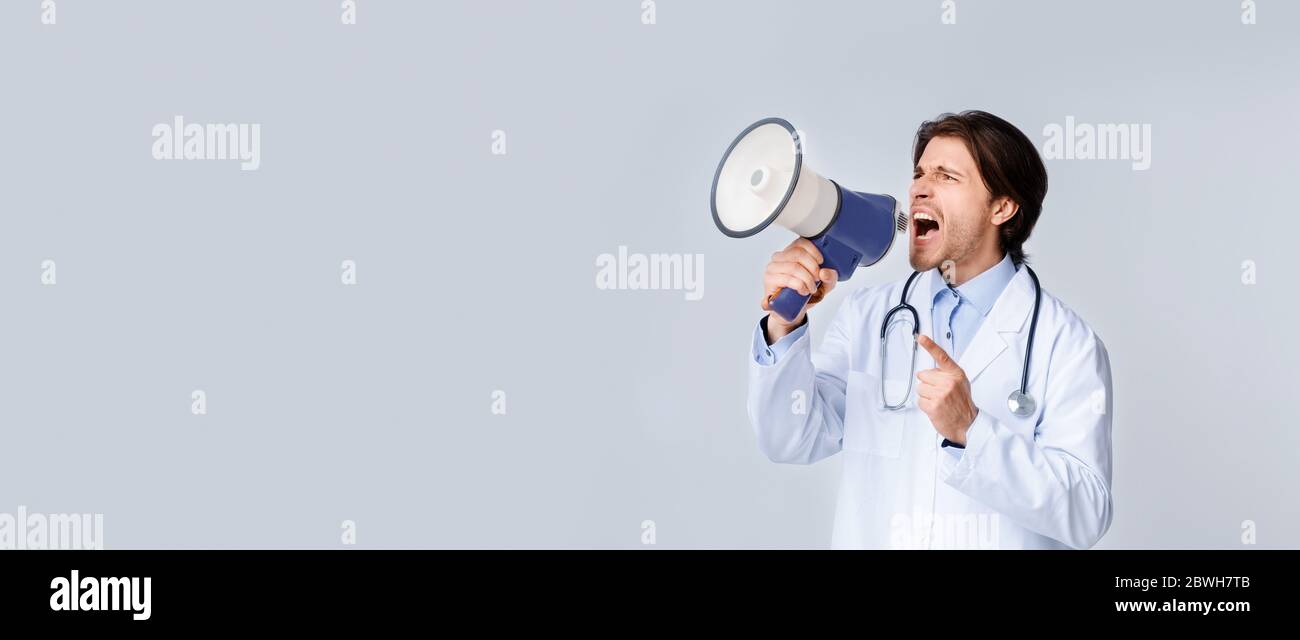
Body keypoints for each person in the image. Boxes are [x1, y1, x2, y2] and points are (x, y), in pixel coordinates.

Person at [748, 110, 1113, 549]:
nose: (918, 187)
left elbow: (1087, 513)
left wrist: (972, 431)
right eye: (920, 173)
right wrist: (784, 325)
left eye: (946, 176)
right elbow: (788, 438)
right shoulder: (869, 316)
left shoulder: (1067, 344)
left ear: (1002, 207)